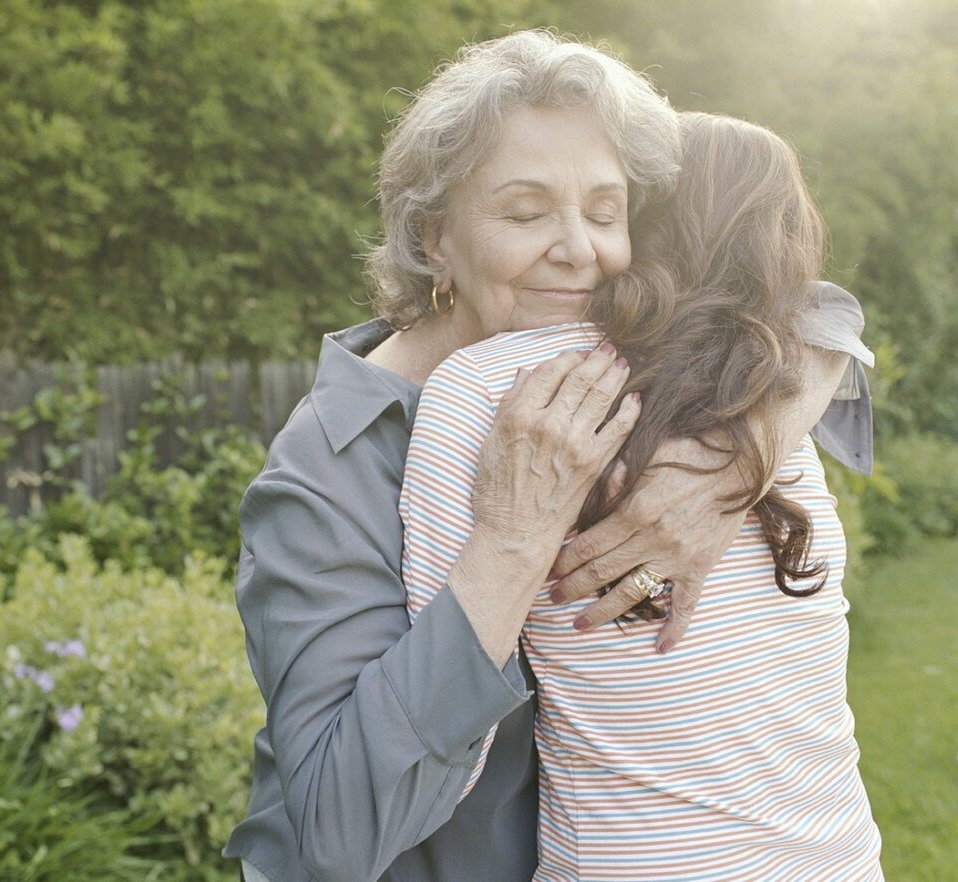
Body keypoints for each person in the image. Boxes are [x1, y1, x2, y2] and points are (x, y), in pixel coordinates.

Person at [224, 31, 873, 882]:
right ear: (435, 240)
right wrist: (512, 544)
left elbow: (816, 312)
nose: (581, 250)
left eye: (607, 213)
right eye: (526, 213)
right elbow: (333, 838)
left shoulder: (611, 359)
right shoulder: (329, 469)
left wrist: (733, 464)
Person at [401, 111, 882, 880]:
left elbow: (434, 708)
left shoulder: (490, 388)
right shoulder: (779, 398)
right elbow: (827, 311)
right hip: (840, 855)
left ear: (640, 215)